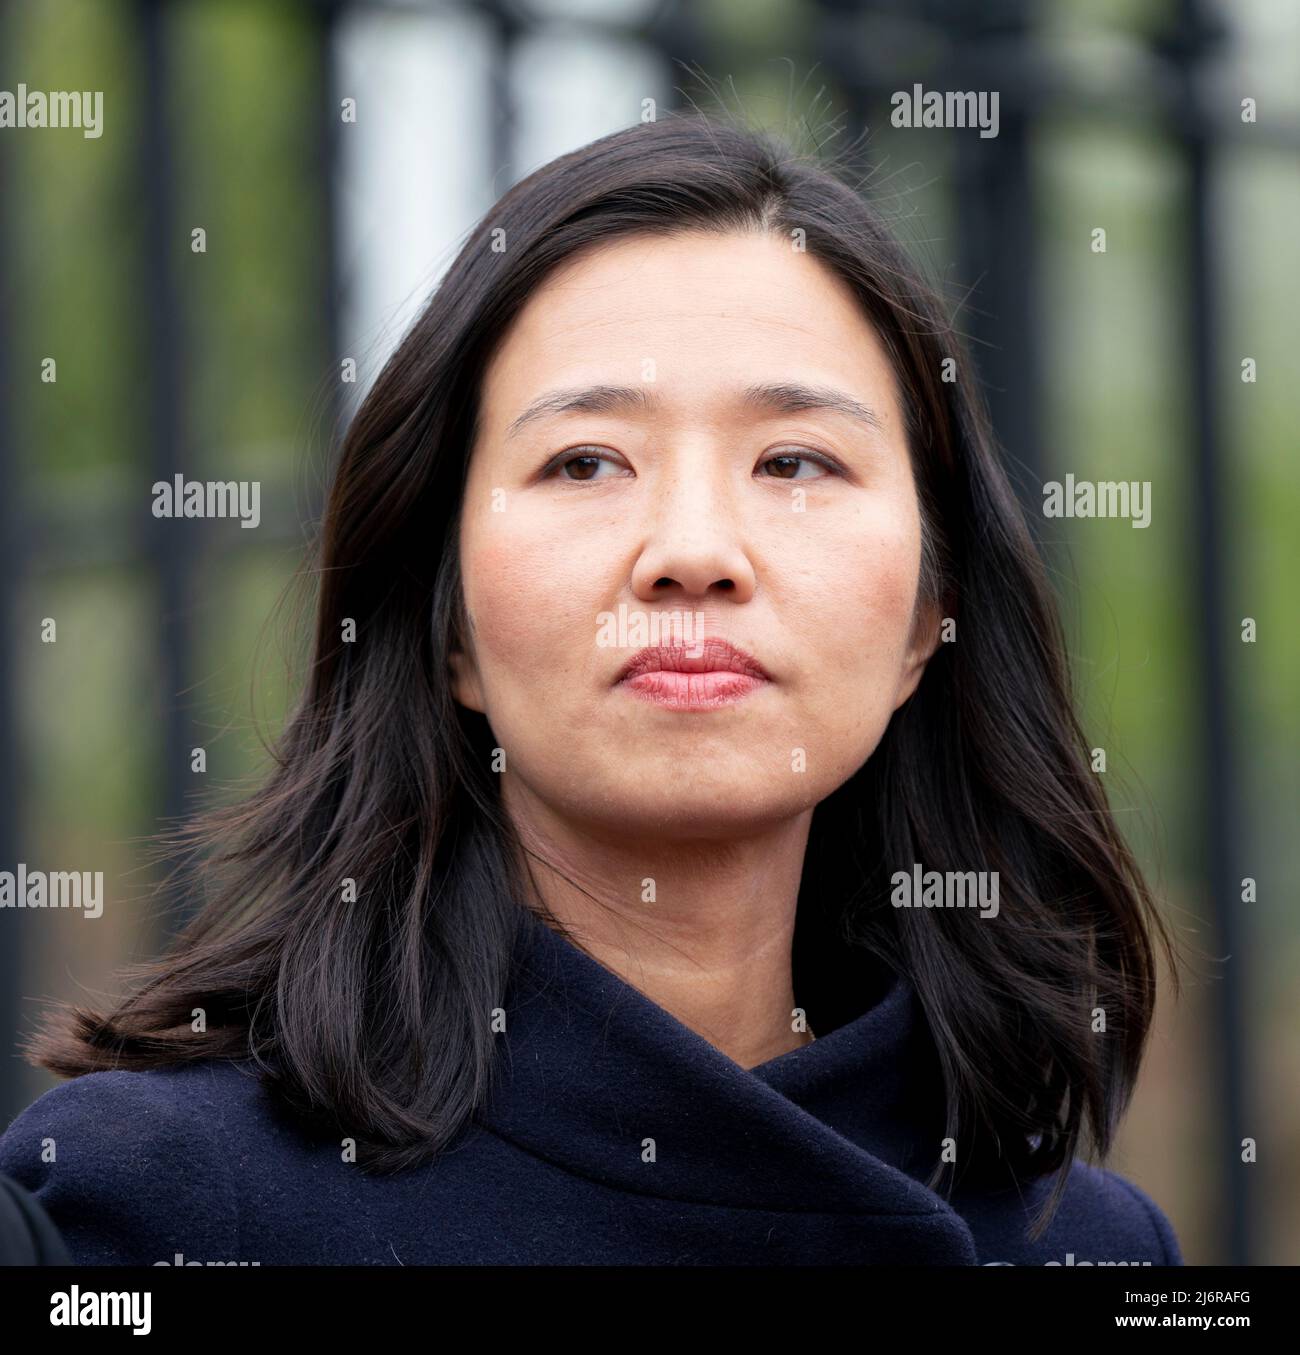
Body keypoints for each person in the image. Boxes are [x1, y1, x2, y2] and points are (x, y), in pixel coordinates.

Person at [0, 111, 1184, 1266]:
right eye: (584, 461)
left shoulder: (1084, 1243)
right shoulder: (166, 1211)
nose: (692, 548)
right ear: (447, 623)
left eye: (794, 461)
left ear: (930, 617)